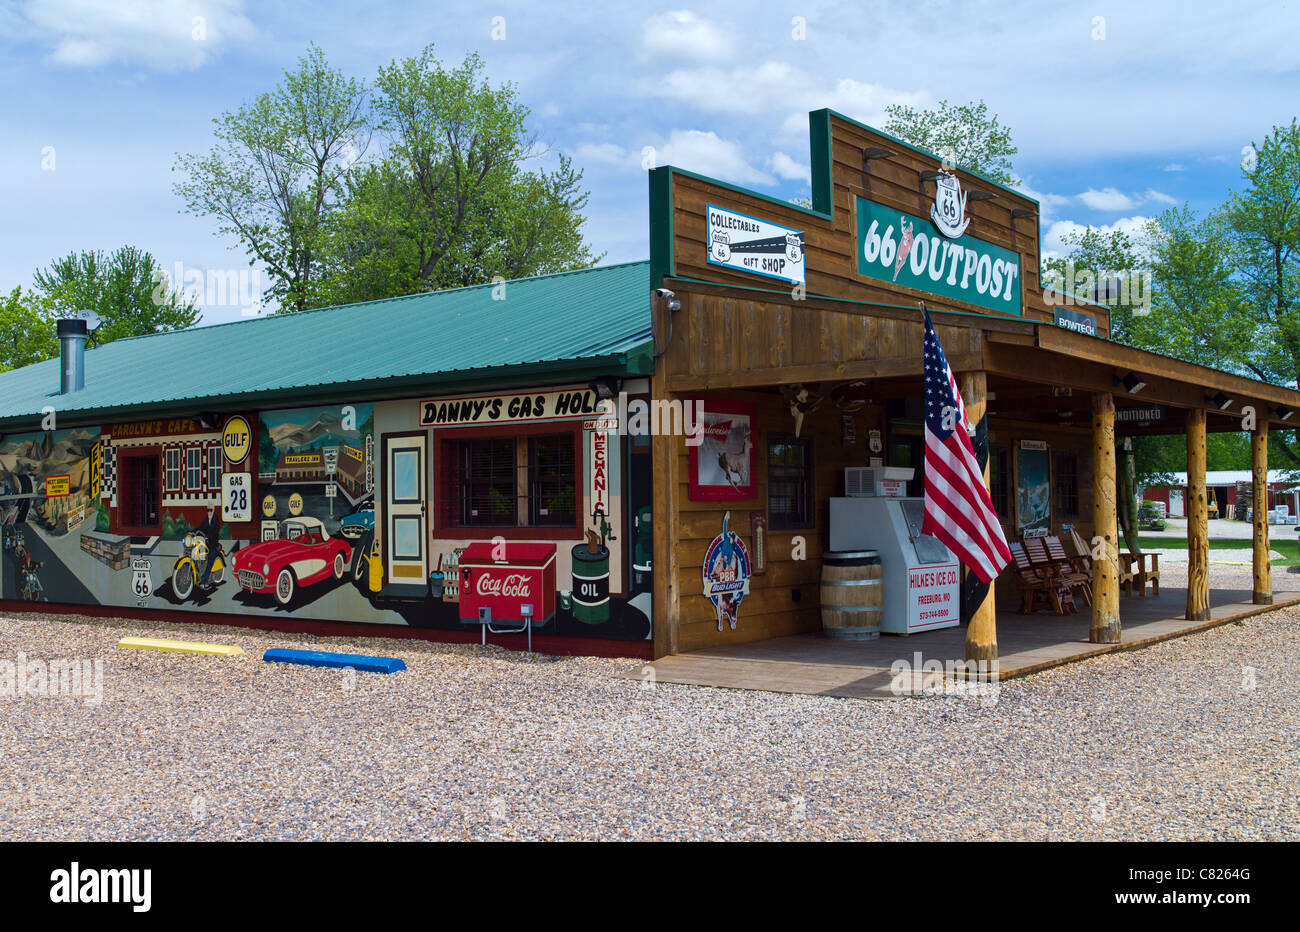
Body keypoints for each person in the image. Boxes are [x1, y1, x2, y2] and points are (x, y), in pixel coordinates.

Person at [195, 504, 222, 590]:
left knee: (210, 559)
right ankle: (197, 572)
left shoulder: (216, 519)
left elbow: (215, 531)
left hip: (213, 544)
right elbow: (201, 527)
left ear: (213, 510)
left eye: (211, 510)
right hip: (206, 543)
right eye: (208, 510)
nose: (209, 512)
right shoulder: (207, 519)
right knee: (196, 553)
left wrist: (208, 537)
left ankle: (204, 580)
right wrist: (192, 531)